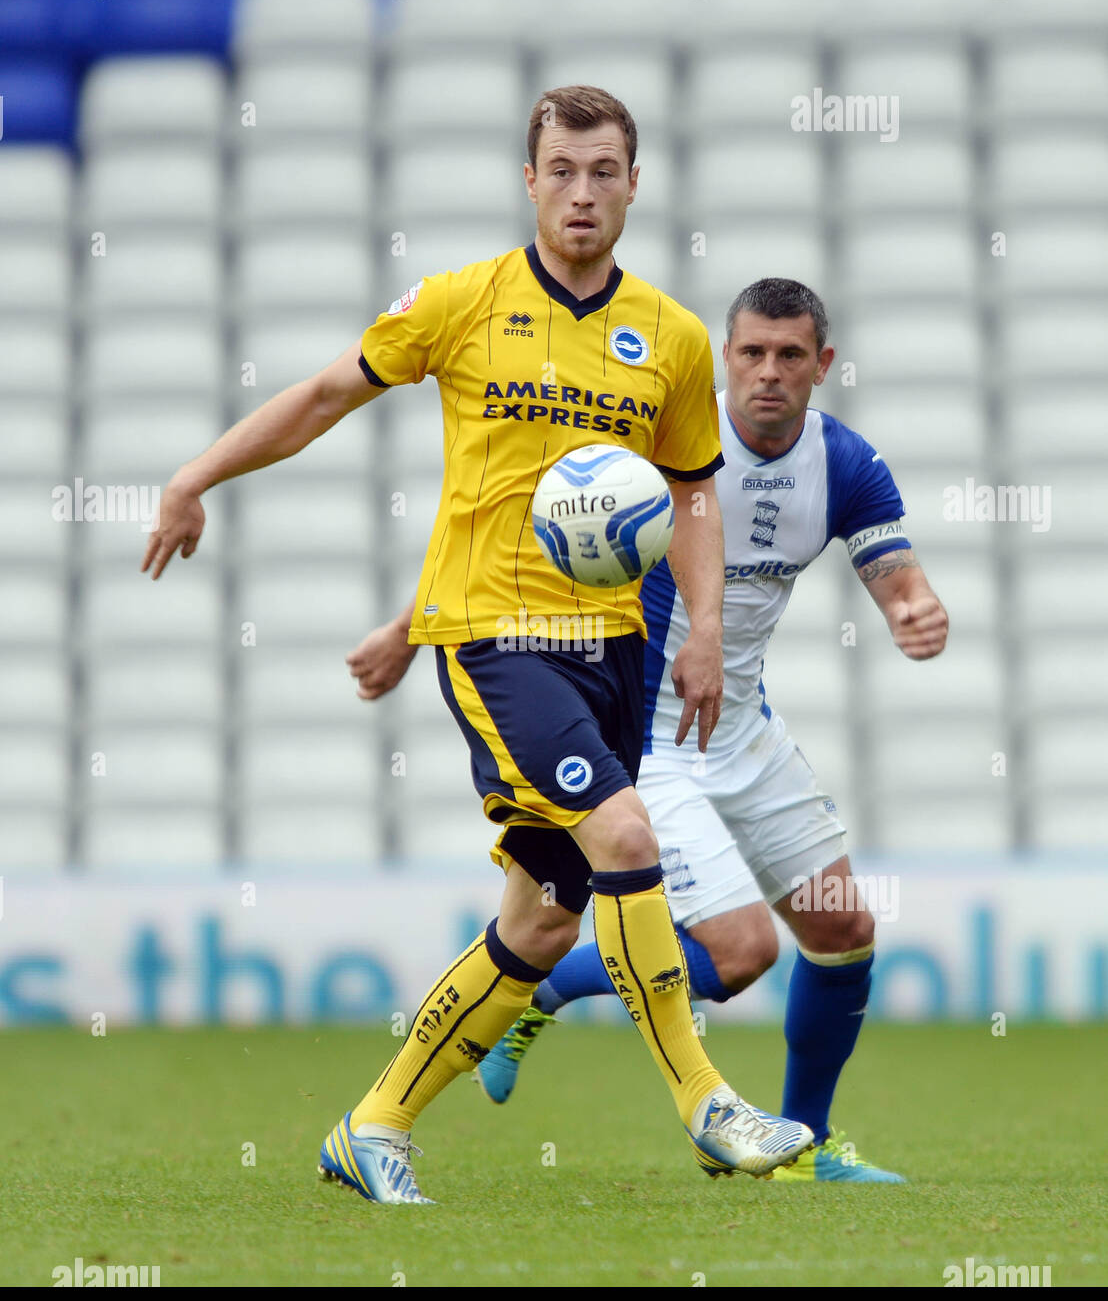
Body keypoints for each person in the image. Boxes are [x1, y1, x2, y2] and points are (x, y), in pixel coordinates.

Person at [142, 89, 814, 1204]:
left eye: (604, 171)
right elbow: (323, 395)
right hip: (497, 643)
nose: (583, 192)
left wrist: (701, 630)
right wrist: (194, 475)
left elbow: (695, 496)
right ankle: (708, 1104)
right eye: (562, 170)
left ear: (635, 184)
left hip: (614, 652)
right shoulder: (462, 304)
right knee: (626, 831)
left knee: (543, 919)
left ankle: (373, 1124)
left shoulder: (678, 338)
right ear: (530, 179)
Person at [355, 278, 949, 1184]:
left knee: (843, 928)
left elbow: (898, 577)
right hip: (648, 737)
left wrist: (918, 611)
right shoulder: (663, 442)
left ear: (822, 366)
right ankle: (545, 990)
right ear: (726, 357)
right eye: (750, 352)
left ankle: (806, 1145)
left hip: (743, 724)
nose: (768, 374)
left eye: (791, 356)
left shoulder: (848, 464)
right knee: (743, 952)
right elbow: (527, 539)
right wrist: (407, 630)